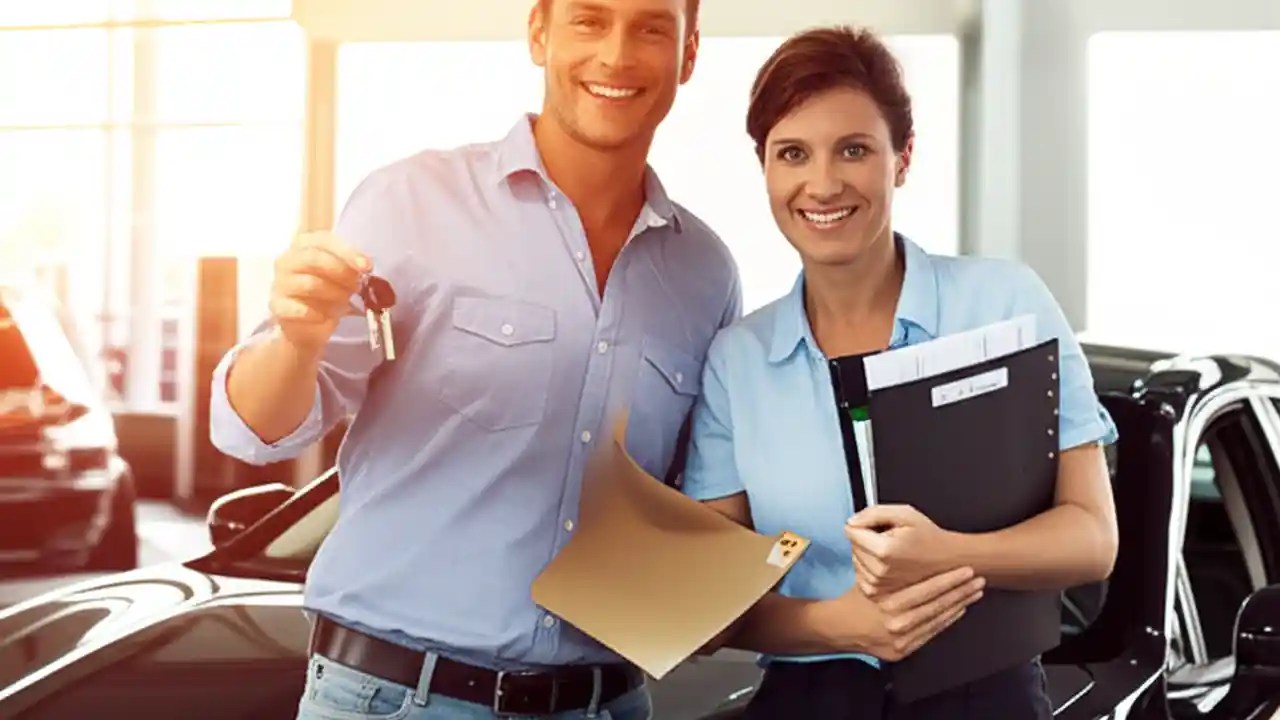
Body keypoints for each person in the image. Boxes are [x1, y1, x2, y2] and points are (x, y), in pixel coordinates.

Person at [208, 1, 740, 718]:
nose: (616, 55)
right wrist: (297, 342)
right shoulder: (413, 203)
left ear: (689, 54)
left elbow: (696, 509)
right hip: (397, 699)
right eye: (589, 20)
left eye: (651, 27)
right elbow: (255, 430)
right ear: (537, 33)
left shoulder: (706, 273)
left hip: (606, 703)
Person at [679, 26, 1119, 719]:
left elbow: (1092, 539)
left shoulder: (1004, 304)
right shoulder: (738, 359)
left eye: (853, 150)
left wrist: (949, 553)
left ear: (902, 158)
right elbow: (711, 605)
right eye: (792, 154)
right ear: (764, 166)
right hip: (806, 701)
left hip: (987, 698)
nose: (822, 184)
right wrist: (839, 626)